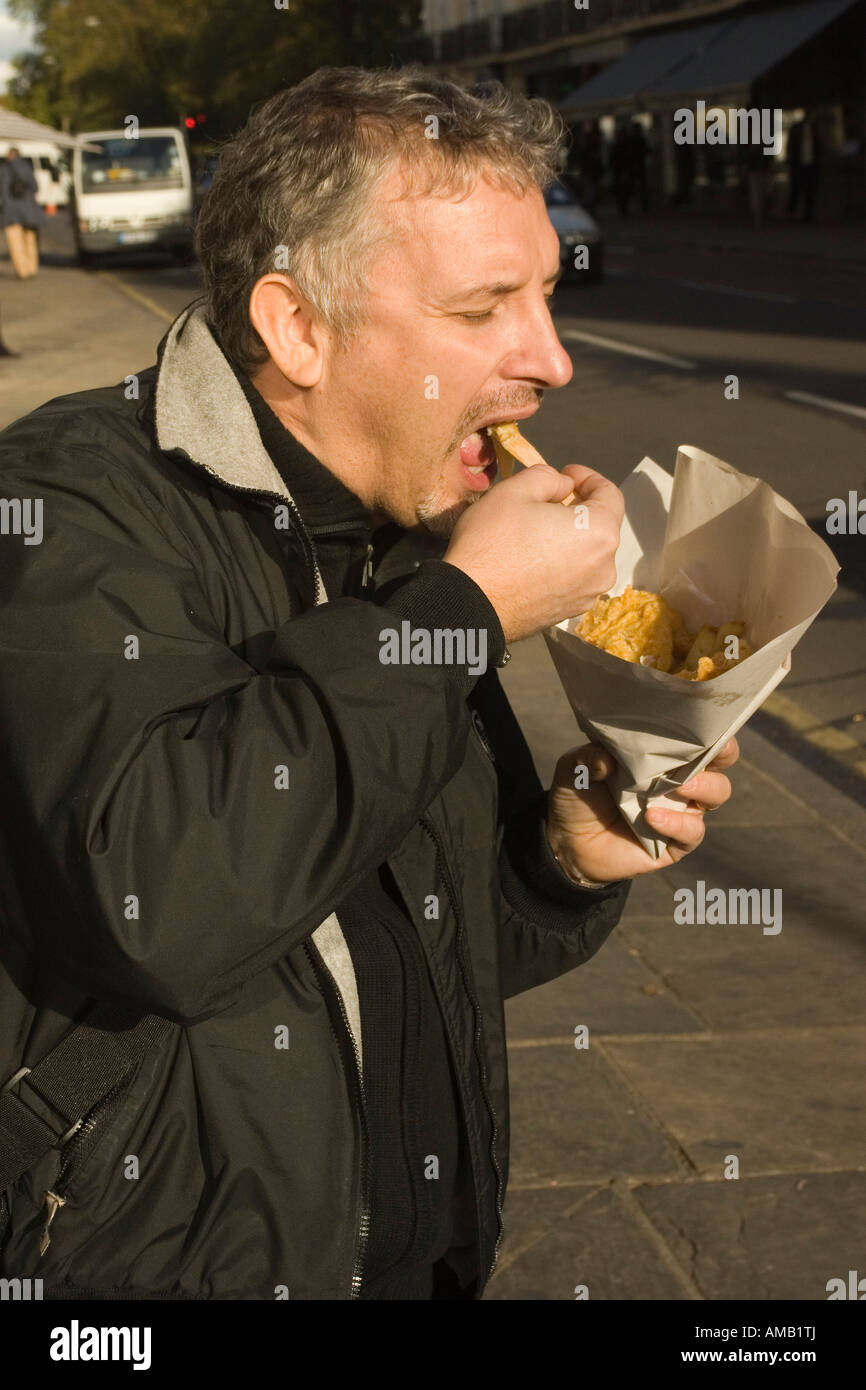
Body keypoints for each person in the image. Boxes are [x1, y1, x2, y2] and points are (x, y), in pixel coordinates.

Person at [0, 67, 738, 1301]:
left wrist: (554, 857)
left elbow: (397, 926)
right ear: (298, 326)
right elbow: (168, 900)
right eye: (483, 308)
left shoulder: (399, 524)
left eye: (547, 296)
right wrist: (464, 614)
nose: (548, 359)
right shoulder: (67, 508)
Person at [0, 147, 43, 278]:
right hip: (29, 211)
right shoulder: (27, 168)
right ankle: (32, 267)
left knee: (15, 243)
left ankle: (22, 270)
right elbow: (35, 187)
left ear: (9, 156)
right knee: (30, 240)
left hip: (10, 212)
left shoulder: (2, 170)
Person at [787, 112, 822, 223]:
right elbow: (791, 146)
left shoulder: (815, 130)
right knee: (797, 188)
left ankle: (807, 214)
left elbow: (819, 147)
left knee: (810, 190)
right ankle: (792, 212)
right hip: (799, 164)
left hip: (811, 164)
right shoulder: (797, 129)